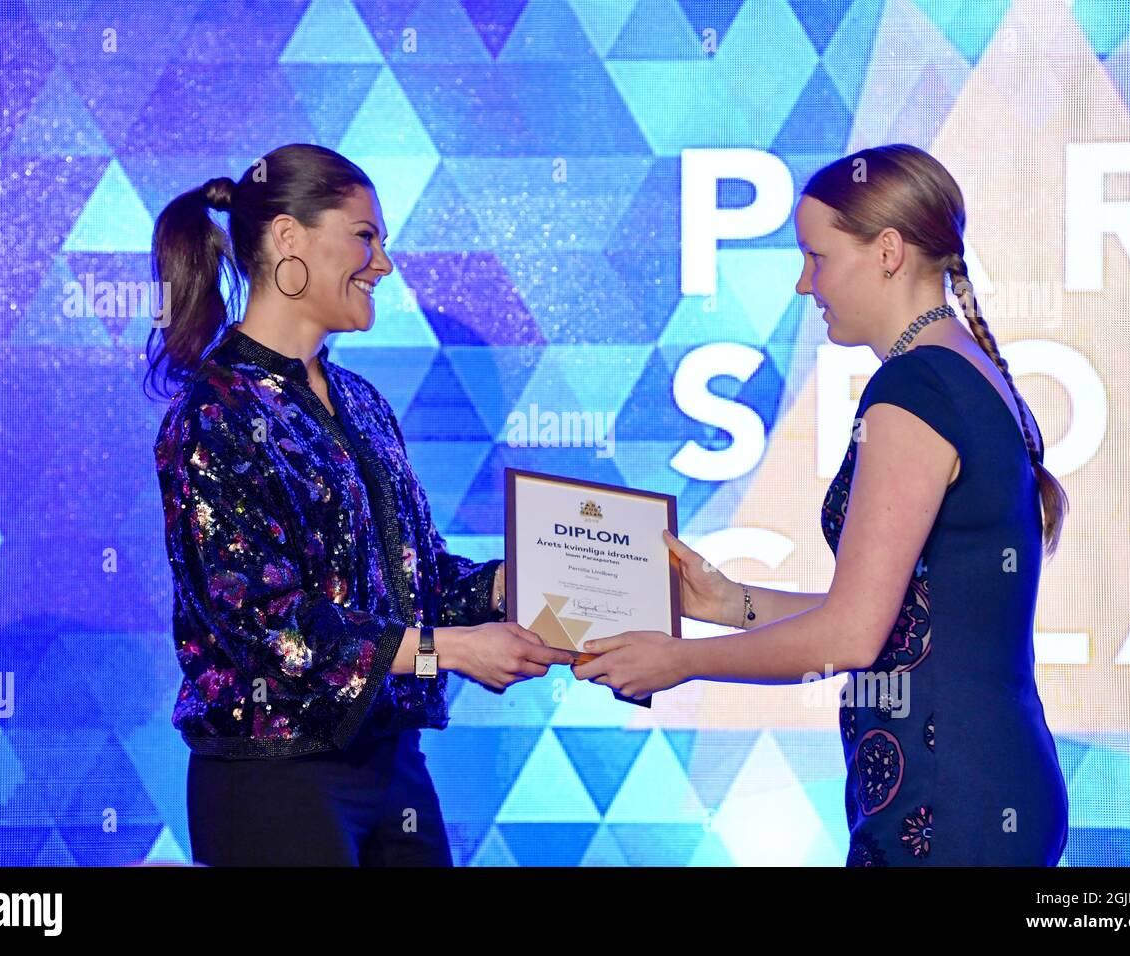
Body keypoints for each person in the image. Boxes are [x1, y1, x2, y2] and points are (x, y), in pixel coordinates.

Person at [572, 144, 1071, 866]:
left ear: (888, 252)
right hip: (985, 782)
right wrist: (732, 602)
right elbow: (910, 618)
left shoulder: (917, 387)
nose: (805, 284)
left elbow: (852, 636)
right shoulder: (966, 372)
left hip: (947, 800)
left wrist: (679, 661)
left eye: (817, 257)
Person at [147, 143, 575, 866]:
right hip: (272, 776)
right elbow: (269, 627)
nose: (383, 264)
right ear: (289, 237)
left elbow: (418, 580)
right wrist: (449, 651)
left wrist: (532, 583)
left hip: (392, 764)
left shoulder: (362, 402)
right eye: (365, 237)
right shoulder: (214, 414)